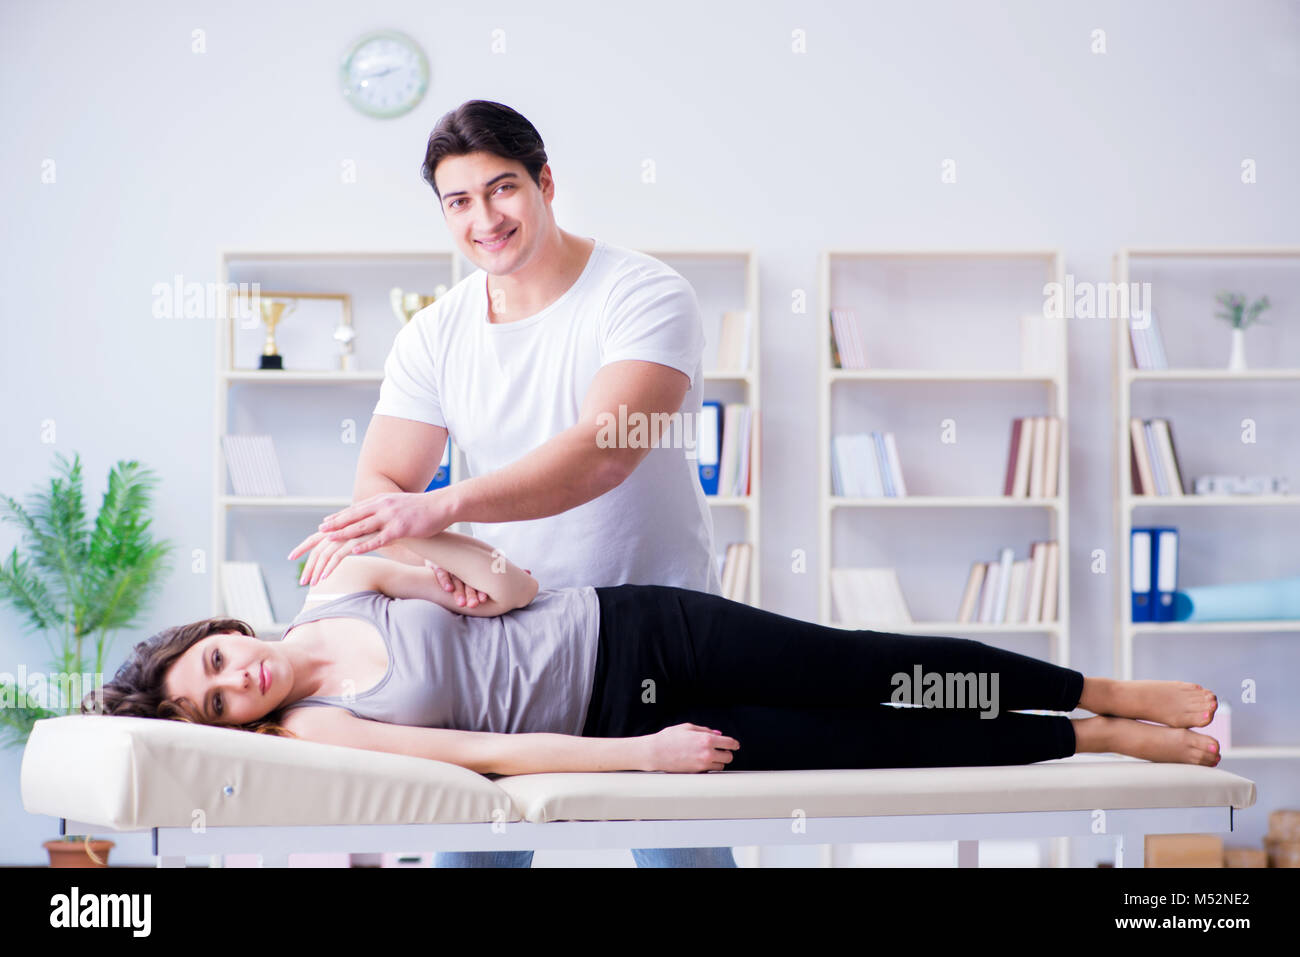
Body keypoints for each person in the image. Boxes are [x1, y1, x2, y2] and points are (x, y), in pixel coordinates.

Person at [284, 99, 733, 867]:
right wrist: (434, 562)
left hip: (646, 635)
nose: (484, 218)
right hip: (509, 648)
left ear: (545, 182)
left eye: (503, 189)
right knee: (472, 859)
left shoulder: (645, 294)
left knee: (681, 857)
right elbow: (382, 480)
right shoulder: (434, 332)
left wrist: (439, 508)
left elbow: (603, 451)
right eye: (459, 201)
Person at [86, 532, 1224, 777]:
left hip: (634, 624)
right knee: (864, 742)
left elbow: (510, 586)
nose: (239, 683)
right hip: (619, 716)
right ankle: (1086, 737)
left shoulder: (333, 582)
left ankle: (1096, 685)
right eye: (222, 706)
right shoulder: (317, 728)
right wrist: (641, 756)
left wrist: (432, 552)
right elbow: (489, 753)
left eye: (217, 663)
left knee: (868, 662)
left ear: (222, 633)